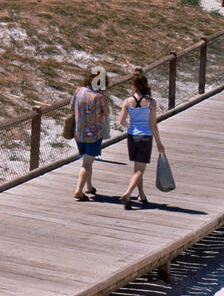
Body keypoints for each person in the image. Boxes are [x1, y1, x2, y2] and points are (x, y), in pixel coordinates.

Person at [118, 71, 165, 209]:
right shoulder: (151, 103)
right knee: (140, 170)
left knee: (136, 168)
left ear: (134, 86)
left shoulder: (127, 101)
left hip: (132, 136)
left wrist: (130, 126)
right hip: (145, 137)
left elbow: (121, 121)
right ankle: (127, 193)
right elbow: (153, 125)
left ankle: (141, 194)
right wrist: (159, 143)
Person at [71, 67, 110, 200]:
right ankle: (78, 190)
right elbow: (107, 113)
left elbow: (71, 107)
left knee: (88, 159)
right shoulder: (100, 97)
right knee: (87, 163)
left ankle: (89, 186)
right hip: (93, 134)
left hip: (78, 133)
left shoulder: (78, 91)